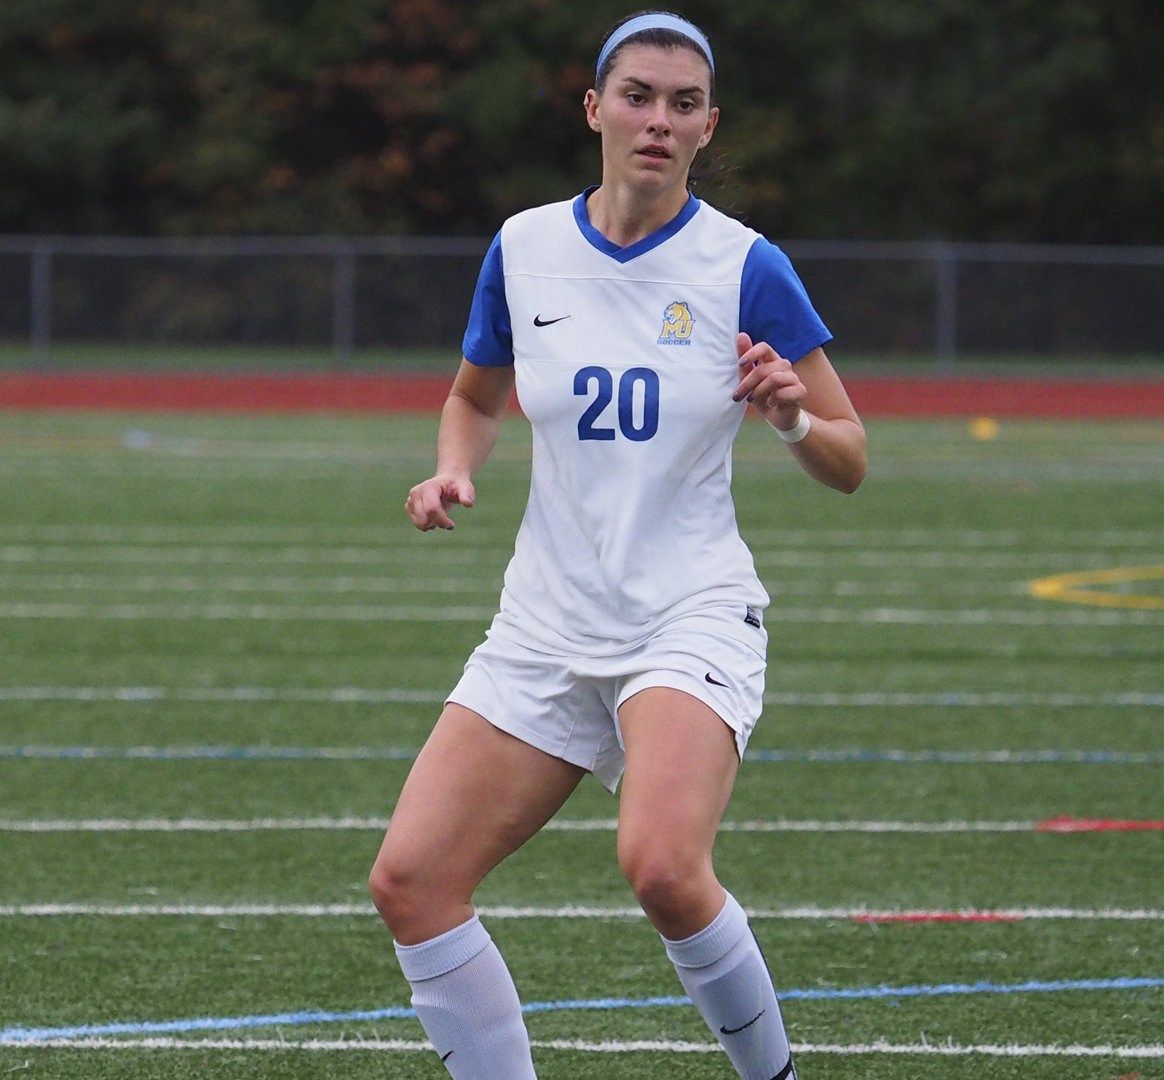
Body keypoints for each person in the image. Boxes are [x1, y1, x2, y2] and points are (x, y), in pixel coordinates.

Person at [367, 11, 867, 1080]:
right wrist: (455, 464)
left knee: (663, 868)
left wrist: (787, 416)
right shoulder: (525, 246)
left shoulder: (746, 266)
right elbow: (474, 395)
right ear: (595, 107)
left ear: (706, 126)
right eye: (637, 95)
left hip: (685, 614)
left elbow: (851, 455)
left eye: (683, 104)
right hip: (546, 620)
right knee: (410, 882)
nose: (658, 118)